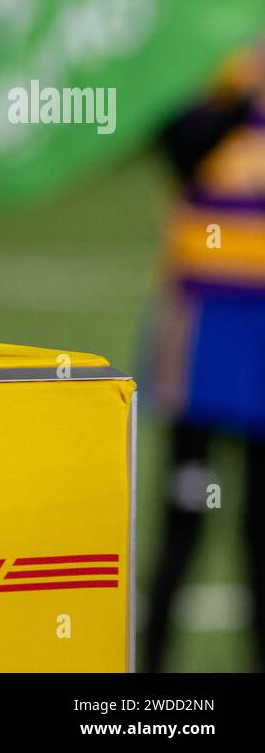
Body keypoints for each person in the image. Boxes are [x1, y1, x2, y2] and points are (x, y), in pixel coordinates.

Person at [145, 41, 265, 671]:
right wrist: (242, 91)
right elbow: (179, 152)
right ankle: (149, 684)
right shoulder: (206, 59)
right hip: (202, 335)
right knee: (184, 517)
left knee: (260, 530)